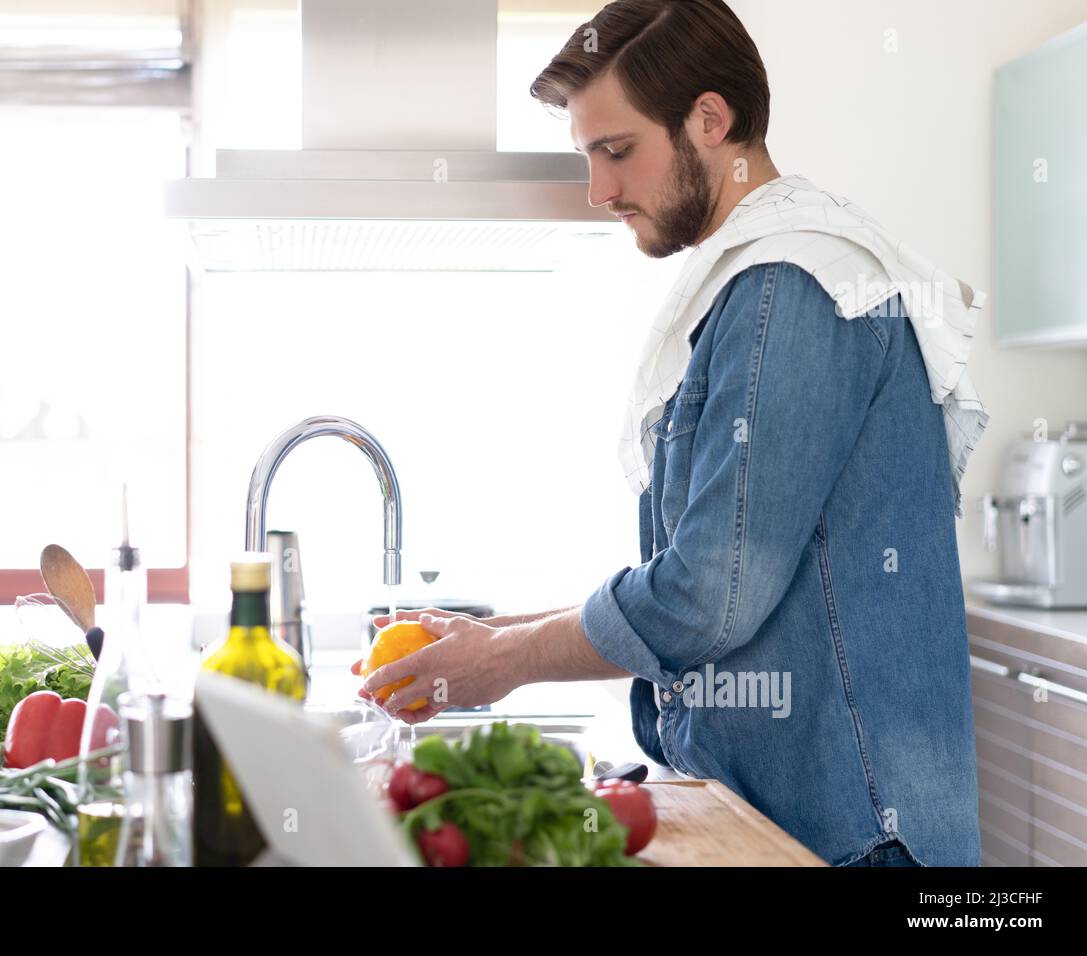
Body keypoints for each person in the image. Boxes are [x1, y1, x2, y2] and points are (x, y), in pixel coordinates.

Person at [357, 0, 987, 868]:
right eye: (589, 157)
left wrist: (499, 661)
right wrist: (491, 634)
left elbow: (704, 598)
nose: (600, 192)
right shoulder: (755, 287)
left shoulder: (792, 289)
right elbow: (708, 575)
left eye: (616, 152)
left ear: (710, 120)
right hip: (799, 822)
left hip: (854, 839)